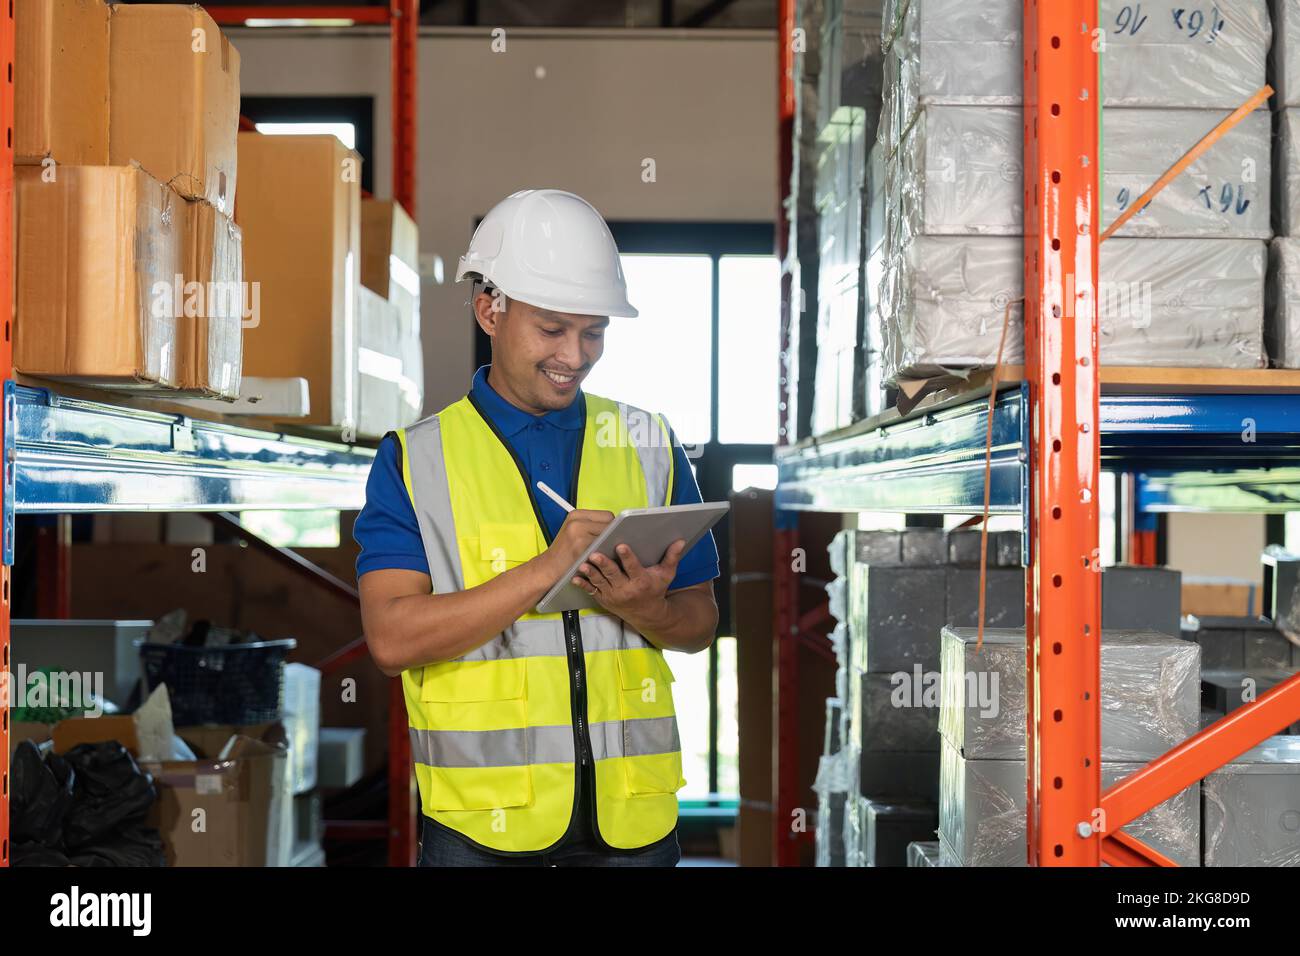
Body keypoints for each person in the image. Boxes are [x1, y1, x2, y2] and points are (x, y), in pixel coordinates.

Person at [354, 189, 720, 867]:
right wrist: (549, 568)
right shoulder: (414, 460)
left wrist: (651, 611)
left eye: (595, 332)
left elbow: (700, 625)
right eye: (553, 329)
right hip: (483, 834)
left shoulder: (648, 442)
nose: (575, 356)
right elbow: (392, 638)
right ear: (489, 308)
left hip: (634, 827)